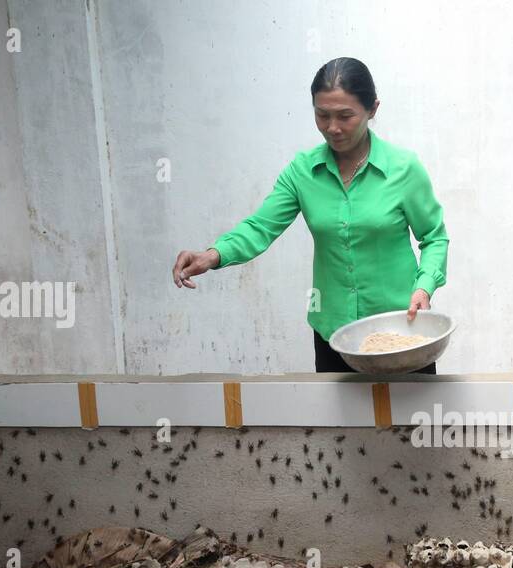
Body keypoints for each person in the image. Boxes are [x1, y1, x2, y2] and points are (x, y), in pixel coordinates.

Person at [172, 57, 449, 373]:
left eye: (346, 116)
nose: (333, 127)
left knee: (409, 422)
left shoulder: (403, 169)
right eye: (322, 115)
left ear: (372, 109)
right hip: (335, 335)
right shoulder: (303, 171)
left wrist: (424, 287)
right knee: (341, 423)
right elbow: (261, 226)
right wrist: (212, 255)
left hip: (403, 331)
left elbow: (434, 237)